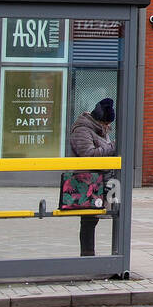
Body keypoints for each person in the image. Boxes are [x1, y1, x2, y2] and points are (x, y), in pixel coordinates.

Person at [68, 97, 116, 256]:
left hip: (104, 179)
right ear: (100, 120)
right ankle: (87, 255)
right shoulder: (82, 129)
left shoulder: (99, 130)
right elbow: (87, 155)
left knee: (97, 219)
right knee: (88, 220)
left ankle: (91, 255)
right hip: (88, 181)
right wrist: (113, 147)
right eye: (106, 124)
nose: (108, 127)